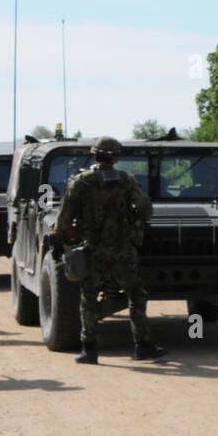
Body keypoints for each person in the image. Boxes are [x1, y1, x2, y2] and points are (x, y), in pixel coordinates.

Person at [54, 136, 162, 363]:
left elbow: (64, 218)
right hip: (123, 248)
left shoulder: (80, 182)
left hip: (92, 249)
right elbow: (145, 208)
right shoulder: (126, 180)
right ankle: (143, 345)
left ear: (95, 155)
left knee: (89, 297)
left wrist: (63, 241)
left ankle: (89, 350)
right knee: (136, 293)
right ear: (115, 157)